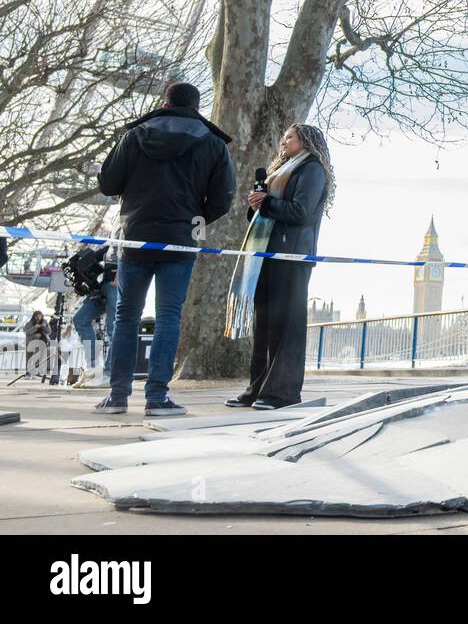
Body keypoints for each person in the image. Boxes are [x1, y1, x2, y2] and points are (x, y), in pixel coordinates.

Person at [93, 82, 235, 416]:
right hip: (180, 238)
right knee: (169, 316)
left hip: (135, 235)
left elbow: (107, 182)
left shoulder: (135, 135)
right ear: (198, 108)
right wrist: (195, 217)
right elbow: (223, 198)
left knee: (126, 314)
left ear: (165, 103)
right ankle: (157, 397)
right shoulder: (214, 144)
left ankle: (116, 396)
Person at [225, 124, 333, 411]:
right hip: (266, 255)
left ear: (306, 141)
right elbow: (265, 212)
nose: (283, 141)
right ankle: (256, 389)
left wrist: (268, 203)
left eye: (290, 137)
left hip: (292, 256)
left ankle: (282, 393)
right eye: (283, 136)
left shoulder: (312, 170)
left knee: (287, 328)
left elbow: (301, 212)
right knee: (264, 327)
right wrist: (256, 204)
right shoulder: (280, 171)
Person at [71, 247, 118, 386]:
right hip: (103, 286)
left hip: (117, 284)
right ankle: (93, 368)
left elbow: (133, 252)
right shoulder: (111, 243)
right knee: (80, 319)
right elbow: (97, 255)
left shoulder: (128, 230)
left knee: (113, 329)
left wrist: (122, 274)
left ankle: (110, 374)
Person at [23, 310, 52, 378]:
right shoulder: (30, 323)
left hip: (41, 342)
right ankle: (28, 373)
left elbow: (49, 332)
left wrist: (45, 326)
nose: (38, 318)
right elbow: (27, 332)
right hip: (31, 342)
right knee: (29, 358)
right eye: (37, 316)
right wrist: (35, 327)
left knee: (38, 357)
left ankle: (35, 372)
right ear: (34, 316)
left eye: (40, 316)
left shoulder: (45, 322)